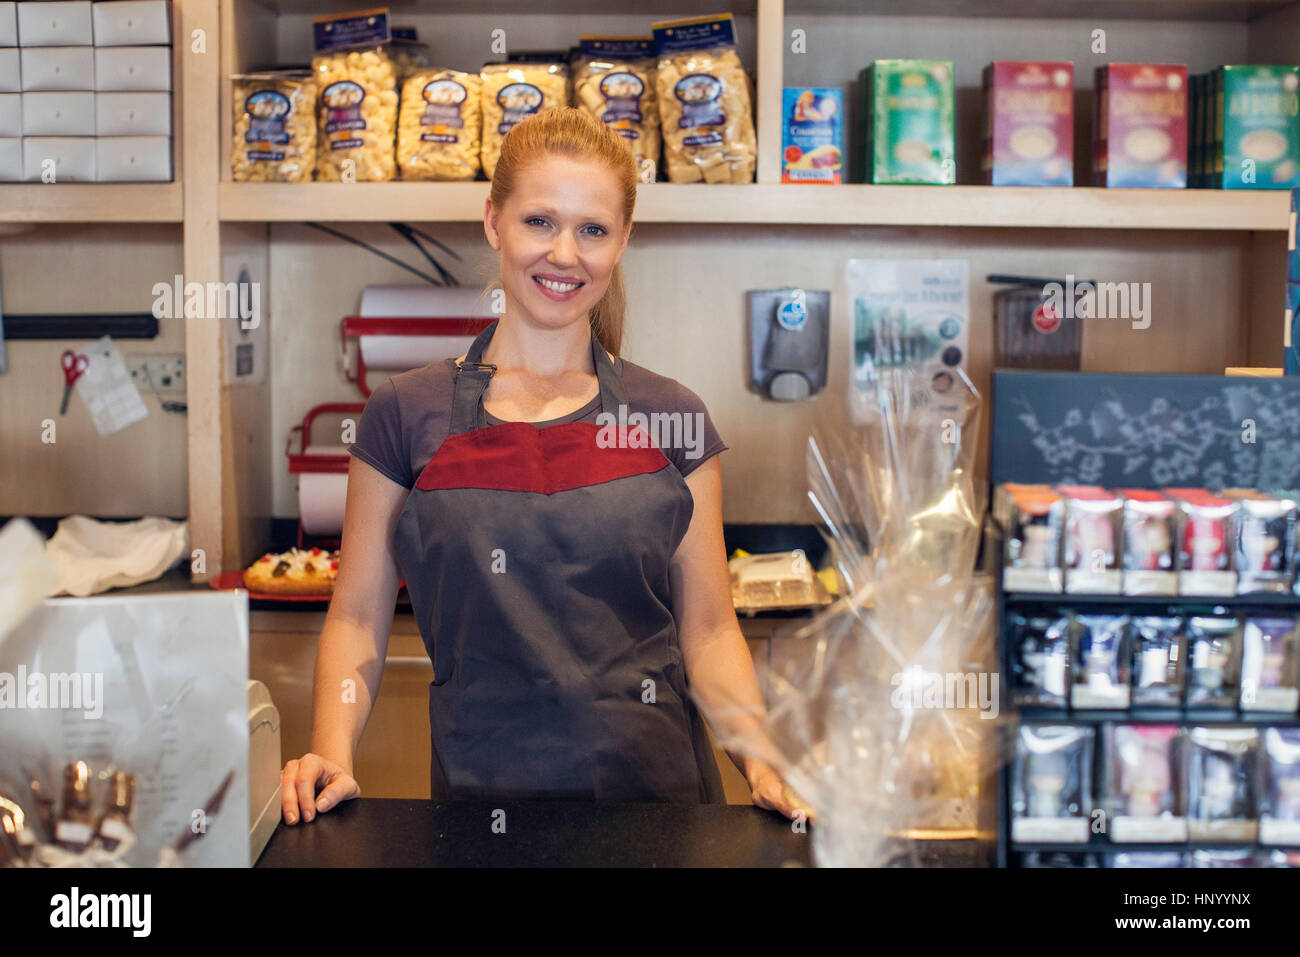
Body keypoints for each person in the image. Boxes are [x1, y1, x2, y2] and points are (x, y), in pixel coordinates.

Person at [281, 107, 801, 823]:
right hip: (479, 809)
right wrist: (332, 751)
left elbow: (709, 629)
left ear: (622, 242)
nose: (564, 254)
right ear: (494, 221)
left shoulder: (670, 416)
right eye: (539, 222)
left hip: (661, 815)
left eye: (593, 229)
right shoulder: (404, 413)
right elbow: (360, 615)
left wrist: (762, 760)